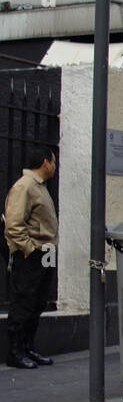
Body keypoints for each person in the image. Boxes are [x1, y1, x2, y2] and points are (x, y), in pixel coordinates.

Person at [5, 147, 58, 368]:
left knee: (38, 302)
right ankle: (15, 352)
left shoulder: (40, 187)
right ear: (45, 162)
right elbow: (14, 224)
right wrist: (29, 250)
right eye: (53, 162)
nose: (55, 167)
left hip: (47, 253)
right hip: (33, 253)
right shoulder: (24, 186)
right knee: (24, 301)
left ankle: (28, 348)